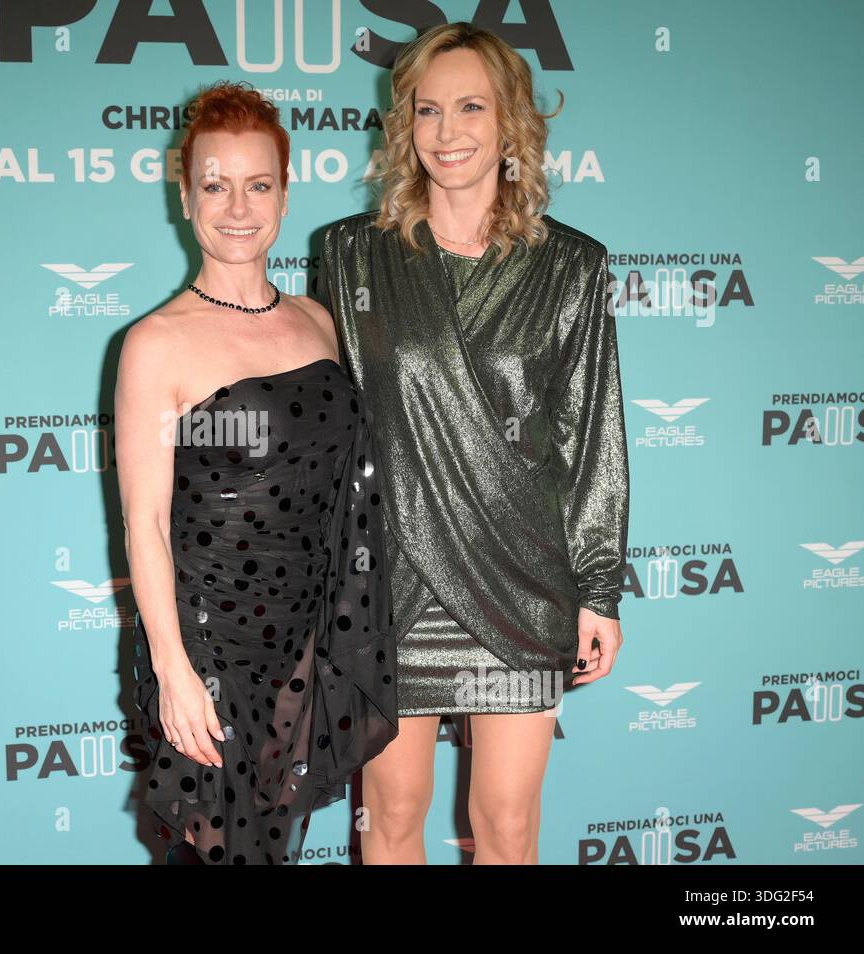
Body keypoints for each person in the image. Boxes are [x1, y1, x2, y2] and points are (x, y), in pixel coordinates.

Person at [316, 22, 629, 864]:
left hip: (523, 580)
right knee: (391, 815)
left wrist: (598, 587)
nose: (447, 132)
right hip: (392, 577)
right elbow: (325, 424)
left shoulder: (572, 266)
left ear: (509, 124)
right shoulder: (350, 257)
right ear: (404, 126)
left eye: (469, 107)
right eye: (427, 110)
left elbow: (592, 432)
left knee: (509, 825)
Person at [115, 81, 398, 865]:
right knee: (213, 848)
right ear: (184, 195)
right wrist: (172, 671)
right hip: (213, 644)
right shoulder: (156, 344)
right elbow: (143, 523)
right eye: (215, 184)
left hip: (311, 638)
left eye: (258, 184)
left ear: (284, 191)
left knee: (270, 848)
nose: (237, 207)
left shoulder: (318, 321)